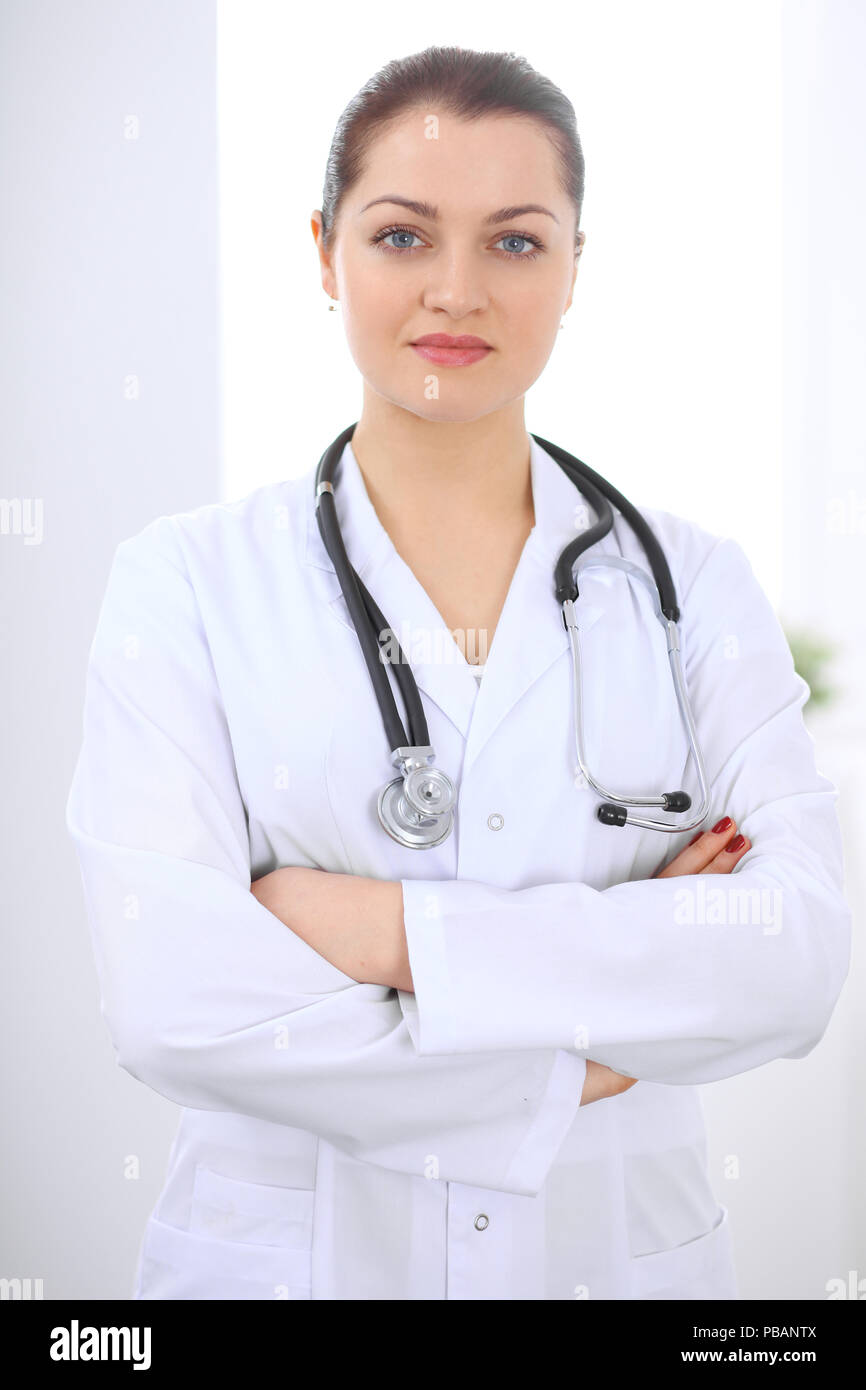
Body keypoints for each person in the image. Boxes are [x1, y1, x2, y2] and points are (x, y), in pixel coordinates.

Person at [66, 45, 851, 1301]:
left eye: (516, 242)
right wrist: (586, 1052)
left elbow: (792, 952)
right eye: (399, 236)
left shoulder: (693, 589)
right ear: (324, 253)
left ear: (576, 266)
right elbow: (177, 1003)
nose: (455, 290)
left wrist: (385, 933)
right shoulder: (187, 584)